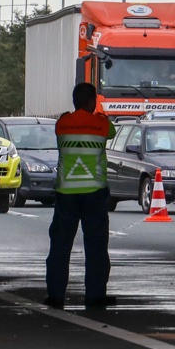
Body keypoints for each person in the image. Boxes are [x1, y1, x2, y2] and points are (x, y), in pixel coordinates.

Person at [46, 82, 115, 308]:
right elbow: (111, 132)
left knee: (60, 247)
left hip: (66, 194)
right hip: (94, 194)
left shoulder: (63, 123)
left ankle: (55, 295)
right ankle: (95, 296)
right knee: (95, 247)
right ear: (92, 101)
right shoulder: (101, 124)